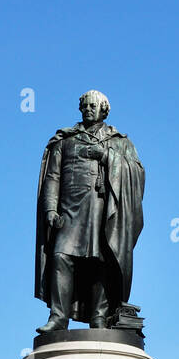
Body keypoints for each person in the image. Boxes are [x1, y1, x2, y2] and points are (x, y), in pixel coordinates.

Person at [35, 90, 145, 332]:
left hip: (102, 211)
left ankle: (99, 317)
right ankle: (58, 317)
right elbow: (52, 177)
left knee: (101, 261)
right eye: (84, 106)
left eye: (93, 106)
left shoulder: (119, 142)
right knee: (60, 256)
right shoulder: (65, 141)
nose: (88, 109)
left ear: (104, 110)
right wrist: (50, 209)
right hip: (69, 211)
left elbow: (137, 173)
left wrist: (106, 155)